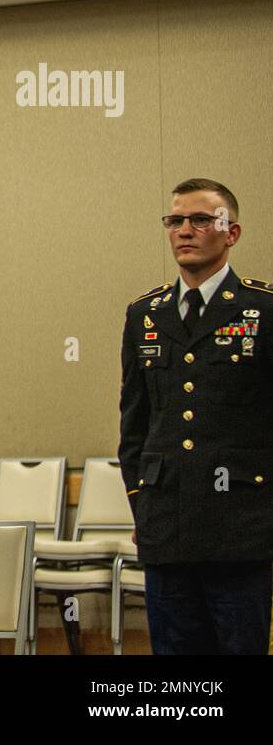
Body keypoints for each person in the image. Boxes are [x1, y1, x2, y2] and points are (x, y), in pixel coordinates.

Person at [118, 178, 272, 655]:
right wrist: (141, 501)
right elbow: (134, 425)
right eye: (176, 220)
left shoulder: (263, 310)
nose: (185, 230)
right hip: (167, 523)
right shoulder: (146, 313)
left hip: (241, 524)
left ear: (232, 233)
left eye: (202, 220)